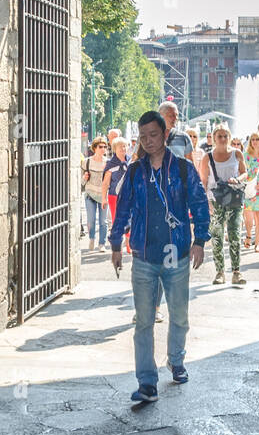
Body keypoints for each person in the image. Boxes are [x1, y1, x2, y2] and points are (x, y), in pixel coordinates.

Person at [109, 110, 209, 403]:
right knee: (143, 320)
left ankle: (176, 360)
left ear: (165, 135)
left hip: (176, 254)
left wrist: (200, 240)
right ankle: (147, 382)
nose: (149, 141)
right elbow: (123, 209)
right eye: (143, 136)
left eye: (154, 135)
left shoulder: (181, 169)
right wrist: (116, 245)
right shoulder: (136, 171)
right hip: (144, 255)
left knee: (179, 315)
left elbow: (199, 203)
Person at [198, 125, 247, 286]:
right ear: (214, 138)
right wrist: (204, 203)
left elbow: (245, 173)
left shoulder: (236, 153)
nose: (223, 139)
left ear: (230, 137)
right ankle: (220, 272)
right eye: (220, 136)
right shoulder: (208, 157)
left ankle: (236, 271)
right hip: (215, 200)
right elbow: (203, 181)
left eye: (226, 136)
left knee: (234, 234)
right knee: (217, 237)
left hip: (234, 198)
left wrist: (238, 179)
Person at [81, 136, 110, 251]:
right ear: (94, 148)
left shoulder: (108, 163)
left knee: (103, 221)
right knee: (90, 220)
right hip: (90, 194)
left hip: (103, 195)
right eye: (100, 147)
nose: (103, 149)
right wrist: (84, 177)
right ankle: (92, 238)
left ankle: (102, 244)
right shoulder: (86, 162)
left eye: (105, 147)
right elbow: (81, 182)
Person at [104, 137, 130, 250]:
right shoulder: (111, 164)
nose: (123, 149)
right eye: (121, 147)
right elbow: (105, 183)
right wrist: (103, 198)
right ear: (115, 149)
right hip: (114, 196)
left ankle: (128, 242)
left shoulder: (130, 162)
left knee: (130, 219)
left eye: (125, 146)